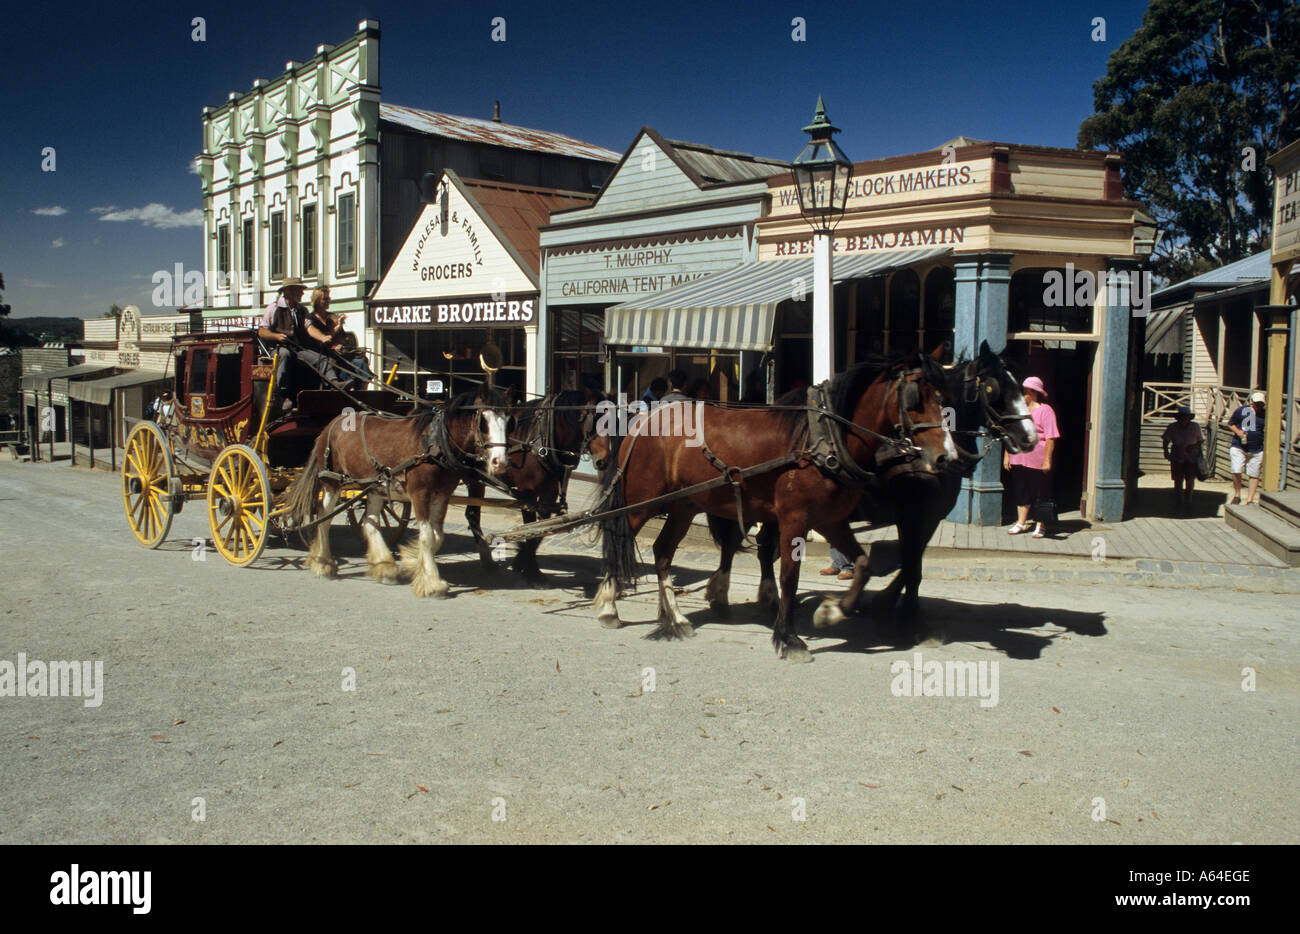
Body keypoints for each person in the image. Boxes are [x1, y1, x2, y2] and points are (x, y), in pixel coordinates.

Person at [257, 277, 343, 412]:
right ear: (288, 291)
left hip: (297, 349)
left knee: (321, 358)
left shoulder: (302, 310)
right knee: (285, 355)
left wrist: (322, 337)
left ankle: (335, 384)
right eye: (300, 290)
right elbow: (262, 331)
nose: (303, 293)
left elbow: (309, 327)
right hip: (278, 349)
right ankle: (282, 394)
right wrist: (276, 336)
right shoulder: (273, 308)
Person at [1003, 375, 1059, 539]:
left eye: (1024, 392)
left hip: (1037, 461)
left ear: (1033, 393)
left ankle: (1040, 525)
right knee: (1021, 492)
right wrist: (1007, 455)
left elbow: (1051, 437)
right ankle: (1021, 522)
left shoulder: (1046, 410)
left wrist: (1048, 460)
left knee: (1039, 493)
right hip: (1018, 458)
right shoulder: (1018, 411)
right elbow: (1009, 434)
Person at [305, 286, 375, 387]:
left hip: (338, 354)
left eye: (329, 298)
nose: (328, 301)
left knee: (360, 363)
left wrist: (343, 341)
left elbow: (343, 338)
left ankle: (362, 392)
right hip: (322, 355)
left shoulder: (332, 316)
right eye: (325, 298)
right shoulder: (310, 318)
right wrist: (337, 328)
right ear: (317, 300)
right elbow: (322, 338)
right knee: (336, 364)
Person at [1162, 405, 1204, 512]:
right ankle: (1179, 501)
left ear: (1189, 418)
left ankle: (1188, 500)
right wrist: (1166, 451)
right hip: (1177, 455)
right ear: (1178, 418)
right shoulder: (1172, 427)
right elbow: (1166, 439)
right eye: (1181, 417)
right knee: (1178, 480)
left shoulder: (1195, 426)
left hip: (1191, 456)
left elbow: (1200, 440)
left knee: (1190, 479)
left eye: (1185, 417)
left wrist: (1194, 447)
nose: (1183, 419)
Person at [1227, 391, 1265, 505]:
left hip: (1256, 448)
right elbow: (1231, 423)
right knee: (1236, 469)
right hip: (1239, 446)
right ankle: (1237, 494)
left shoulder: (1265, 414)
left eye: (1260, 404)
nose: (1258, 406)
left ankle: (1250, 499)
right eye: (1256, 403)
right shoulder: (1242, 411)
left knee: (1254, 474)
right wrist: (1238, 432)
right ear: (1251, 402)